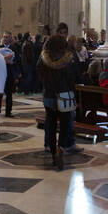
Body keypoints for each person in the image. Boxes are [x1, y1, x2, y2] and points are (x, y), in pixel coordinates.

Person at [38, 34, 78, 170]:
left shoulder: (44, 57)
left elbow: (39, 73)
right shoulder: (69, 58)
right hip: (65, 94)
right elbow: (75, 76)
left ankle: (52, 149)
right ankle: (61, 148)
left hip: (49, 94)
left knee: (50, 123)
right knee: (66, 124)